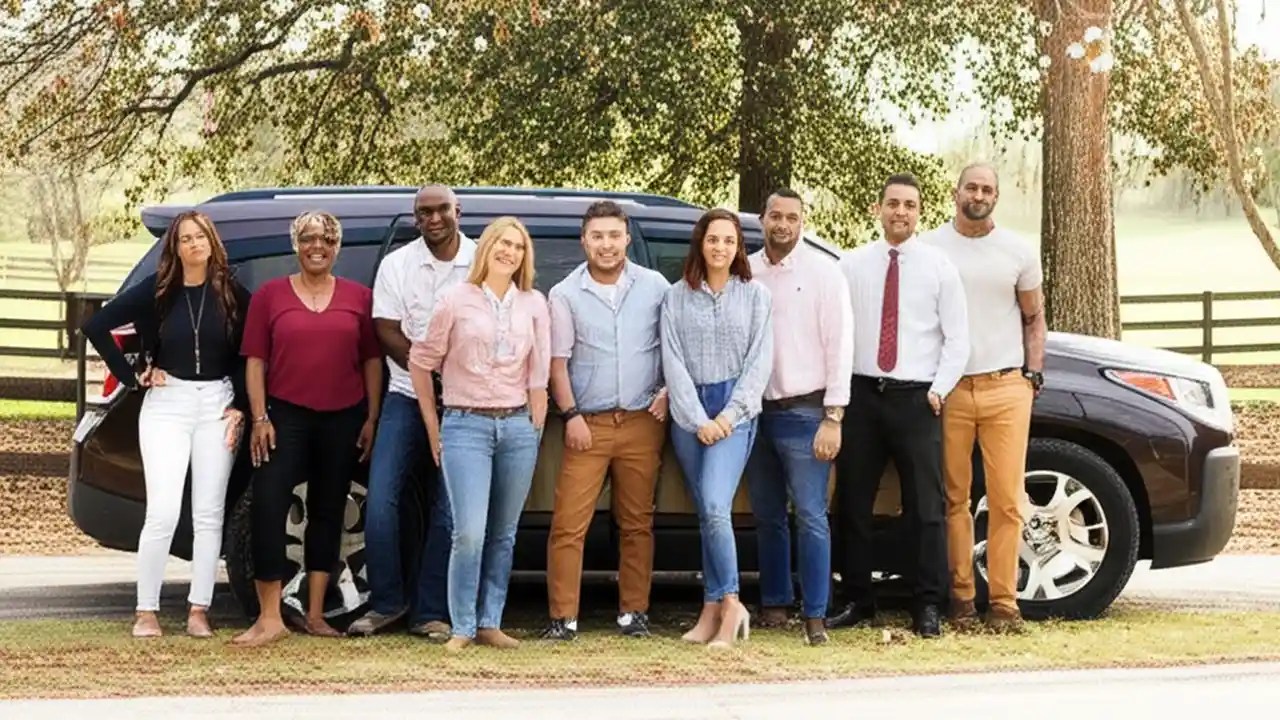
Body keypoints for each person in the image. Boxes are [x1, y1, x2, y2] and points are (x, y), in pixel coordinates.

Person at [81, 211, 250, 639]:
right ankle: (146, 611)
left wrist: (242, 405)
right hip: (167, 403)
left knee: (210, 512)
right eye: (185, 239)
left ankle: (199, 610)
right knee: (162, 511)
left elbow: (250, 354)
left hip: (217, 404)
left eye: (200, 236)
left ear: (212, 240)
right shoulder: (157, 292)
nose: (194, 244)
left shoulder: (232, 293)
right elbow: (96, 325)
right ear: (175, 248)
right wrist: (130, 373)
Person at [828, 173, 969, 639]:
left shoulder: (938, 267)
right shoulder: (852, 266)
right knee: (853, 503)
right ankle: (857, 599)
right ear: (878, 208)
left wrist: (938, 388)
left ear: (919, 211)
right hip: (863, 395)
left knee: (926, 508)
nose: (900, 212)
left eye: (909, 205)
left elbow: (957, 339)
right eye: (893, 203)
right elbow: (837, 334)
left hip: (917, 398)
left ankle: (927, 603)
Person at [234, 211, 383, 647]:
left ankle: (316, 614)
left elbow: (371, 361)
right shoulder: (269, 296)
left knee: (328, 509)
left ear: (337, 247)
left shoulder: (360, 298)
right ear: (296, 245)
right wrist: (260, 417)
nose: (318, 246)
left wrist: (371, 417)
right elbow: (255, 362)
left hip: (344, 416)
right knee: (267, 504)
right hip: (284, 417)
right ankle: (269, 617)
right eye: (308, 239)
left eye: (327, 239)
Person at [408, 215, 551, 653]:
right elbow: (420, 361)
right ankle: (463, 626)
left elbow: (539, 374)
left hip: (517, 427)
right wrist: (434, 425)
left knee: (504, 532)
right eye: (502, 243)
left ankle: (491, 621)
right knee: (468, 530)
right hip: (465, 423)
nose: (509, 252)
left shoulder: (534, 303)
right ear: (486, 248)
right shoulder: (455, 299)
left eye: (518, 246)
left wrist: (534, 427)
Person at [920, 162, 1046, 632]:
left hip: (1006, 387)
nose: (979, 194)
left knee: (1007, 499)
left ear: (997, 195)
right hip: (950, 389)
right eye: (971, 186)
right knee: (955, 497)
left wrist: (1032, 373)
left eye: (987, 188)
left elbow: (1034, 317)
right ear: (956, 192)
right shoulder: (931, 248)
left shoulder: (1017, 250)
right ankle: (962, 601)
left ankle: (1005, 604)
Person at [348, 185, 476, 640]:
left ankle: (430, 611)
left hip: (466, 402)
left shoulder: (482, 261)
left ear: (458, 211)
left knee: (449, 507)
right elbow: (385, 328)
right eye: (424, 212)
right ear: (415, 217)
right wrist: (428, 372)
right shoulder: (398, 265)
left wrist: (451, 378)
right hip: (405, 393)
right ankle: (386, 602)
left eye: (442, 209)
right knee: (382, 498)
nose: (434, 218)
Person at [540, 200, 671, 642]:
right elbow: (558, 363)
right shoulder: (564, 293)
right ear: (584, 240)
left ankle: (634, 613)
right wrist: (571, 414)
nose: (606, 245)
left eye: (614, 235)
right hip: (586, 424)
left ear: (627, 238)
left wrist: (668, 393)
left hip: (642, 420)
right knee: (568, 523)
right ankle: (563, 617)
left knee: (637, 522)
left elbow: (673, 347)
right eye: (597, 236)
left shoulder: (655, 286)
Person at [745, 188, 853, 646]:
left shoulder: (825, 274)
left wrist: (834, 416)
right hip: (755, 413)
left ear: (801, 223)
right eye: (775, 216)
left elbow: (840, 345)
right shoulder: (745, 271)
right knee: (766, 514)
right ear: (763, 219)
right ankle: (774, 602)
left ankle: (815, 614)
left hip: (807, 413)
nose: (782, 224)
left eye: (791, 217)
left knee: (810, 514)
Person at [661, 207, 773, 649]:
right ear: (700, 244)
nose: (721, 247)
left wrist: (726, 417)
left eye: (729, 240)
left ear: (738, 247)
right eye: (713, 239)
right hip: (689, 413)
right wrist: (696, 419)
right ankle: (709, 609)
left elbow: (759, 363)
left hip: (735, 411)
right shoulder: (675, 296)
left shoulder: (756, 296)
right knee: (706, 514)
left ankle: (731, 603)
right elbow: (672, 361)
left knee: (713, 505)